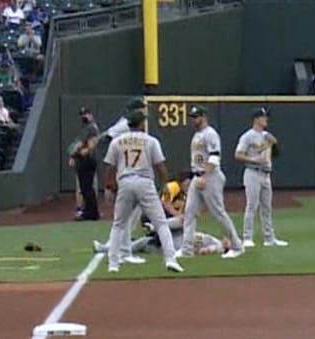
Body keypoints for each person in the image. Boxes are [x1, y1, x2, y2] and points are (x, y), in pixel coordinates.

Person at [102, 111, 183, 275]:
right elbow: (160, 166)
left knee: (119, 224)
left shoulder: (117, 142)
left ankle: (113, 263)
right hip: (145, 182)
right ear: (140, 123)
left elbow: (110, 167)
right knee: (161, 223)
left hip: (125, 181)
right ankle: (171, 260)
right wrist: (164, 185)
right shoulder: (151, 141)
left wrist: (109, 187)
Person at [93, 180, 228, 257]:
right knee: (142, 240)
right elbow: (165, 203)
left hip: (170, 239)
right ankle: (151, 229)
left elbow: (204, 250)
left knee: (142, 243)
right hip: (165, 224)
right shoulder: (175, 188)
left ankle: (107, 248)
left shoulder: (215, 245)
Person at [179, 105, 246, 259]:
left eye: (196, 117)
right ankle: (186, 250)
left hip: (210, 176)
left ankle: (237, 246)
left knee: (218, 213)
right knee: (189, 213)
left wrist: (205, 176)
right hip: (197, 176)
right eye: (192, 117)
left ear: (204, 117)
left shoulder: (210, 134)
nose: (193, 120)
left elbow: (215, 156)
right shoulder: (197, 135)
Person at [235, 106, 287, 247]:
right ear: (256, 119)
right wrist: (254, 160)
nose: (266, 119)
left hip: (266, 174)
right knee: (251, 206)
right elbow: (238, 154)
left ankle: (269, 238)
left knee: (267, 208)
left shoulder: (267, 136)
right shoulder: (248, 136)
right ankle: (247, 238)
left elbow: (275, 154)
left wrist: (275, 144)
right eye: (263, 117)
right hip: (252, 172)